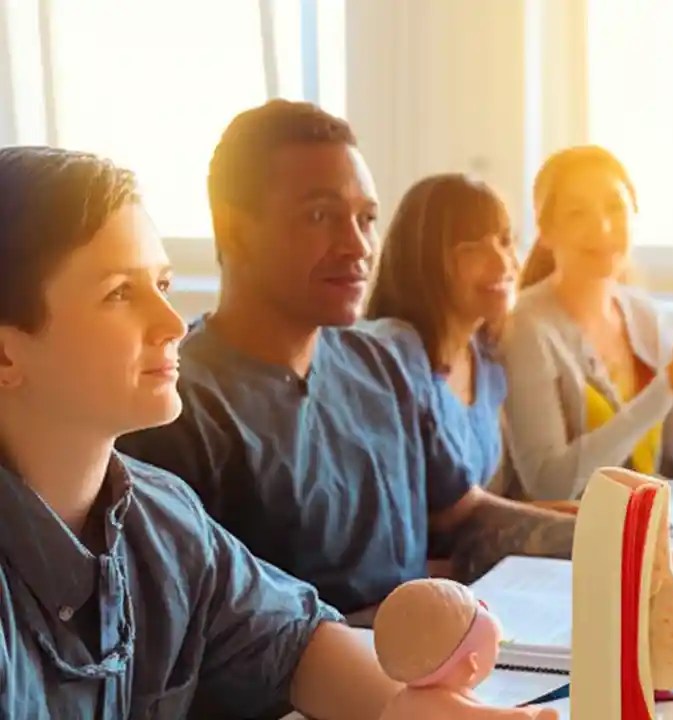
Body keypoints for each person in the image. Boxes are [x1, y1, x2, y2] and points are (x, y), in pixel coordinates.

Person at [117, 101, 575, 624]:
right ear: (235, 229)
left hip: (432, 663)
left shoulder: (381, 362)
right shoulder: (176, 410)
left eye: (366, 219)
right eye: (320, 216)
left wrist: (615, 539)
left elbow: (461, 514)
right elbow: (199, 636)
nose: (357, 246)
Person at [0, 147, 399, 718]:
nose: (170, 324)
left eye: (162, 283)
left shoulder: (163, 516)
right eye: (119, 293)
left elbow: (293, 643)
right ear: (5, 355)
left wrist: (423, 710)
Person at [502, 146, 673, 501]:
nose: (602, 227)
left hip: (647, 529)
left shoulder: (642, 313)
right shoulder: (527, 329)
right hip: (569, 545)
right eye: (577, 213)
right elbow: (548, 484)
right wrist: (665, 388)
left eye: (615, 208)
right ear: (545, 230)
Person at [365, 174, 514, 497]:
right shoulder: (392, 354)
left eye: (504, 240)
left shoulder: (487, 362)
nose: (503, 263)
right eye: (473, 248)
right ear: (425, 260)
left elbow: (485, 510)